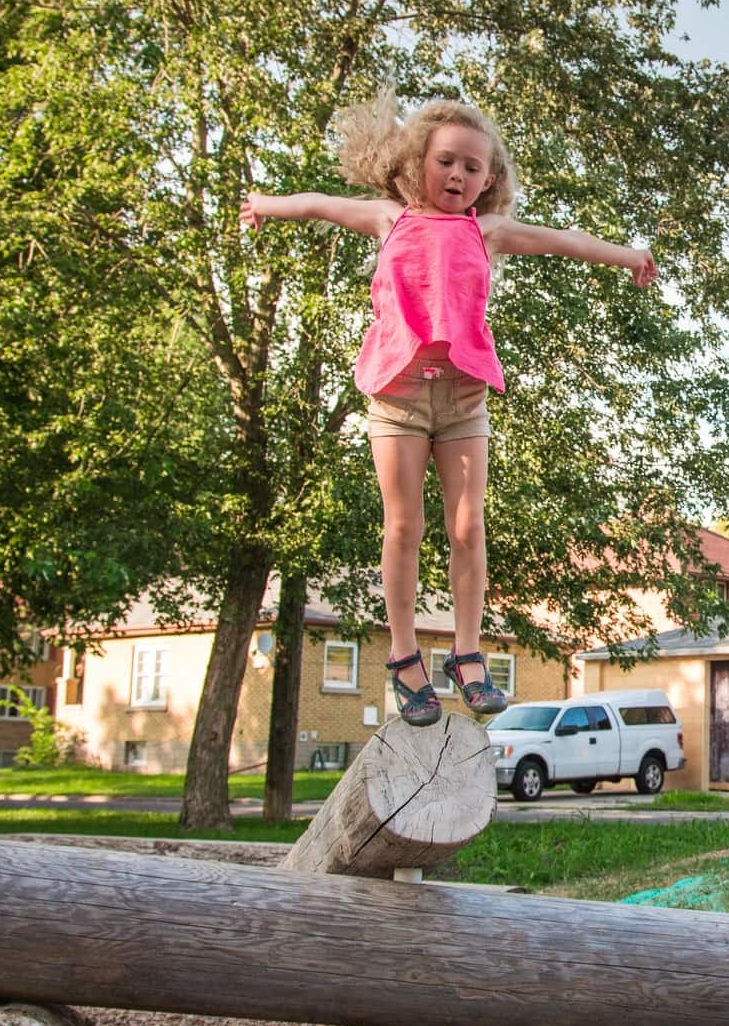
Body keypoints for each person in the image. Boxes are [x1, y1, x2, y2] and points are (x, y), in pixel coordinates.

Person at [241, 92, 654, 722]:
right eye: (445, 162)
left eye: (470, 167)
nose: (456, 176)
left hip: (462, 396)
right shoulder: (389, 218)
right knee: (403, 526)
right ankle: (405, 658)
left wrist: (629, 256)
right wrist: (265, 206)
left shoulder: (487, 230)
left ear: (489, 180)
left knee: (467, 526)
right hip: (399, 393)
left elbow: (563, 240)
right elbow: (320, 205)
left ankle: (467, 654)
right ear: (419, 162)